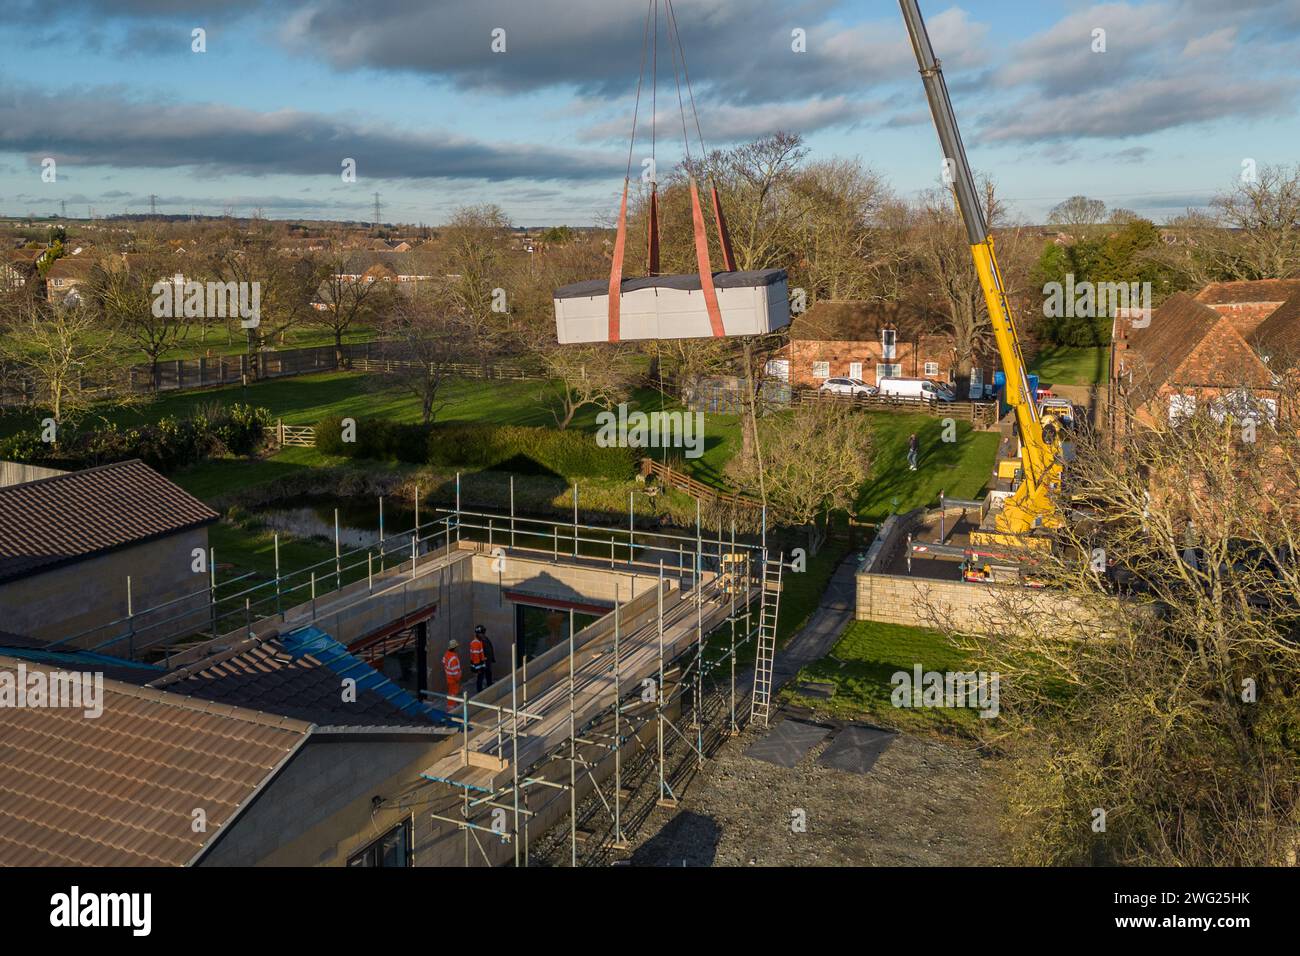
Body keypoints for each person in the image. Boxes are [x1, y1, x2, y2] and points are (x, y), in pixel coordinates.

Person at [469, 624, 496, 692]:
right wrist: (478, 667)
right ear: (478, 634)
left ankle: (489, 683)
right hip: (480, 664)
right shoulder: (476, 643)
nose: (483, 634)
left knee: (488, 673)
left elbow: (489, 648)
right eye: (482, 633)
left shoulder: (483, 639)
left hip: (485, 661)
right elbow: (476, 656)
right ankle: (479, 690)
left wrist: (491, 658)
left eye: (484, 633)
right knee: (480, 676)